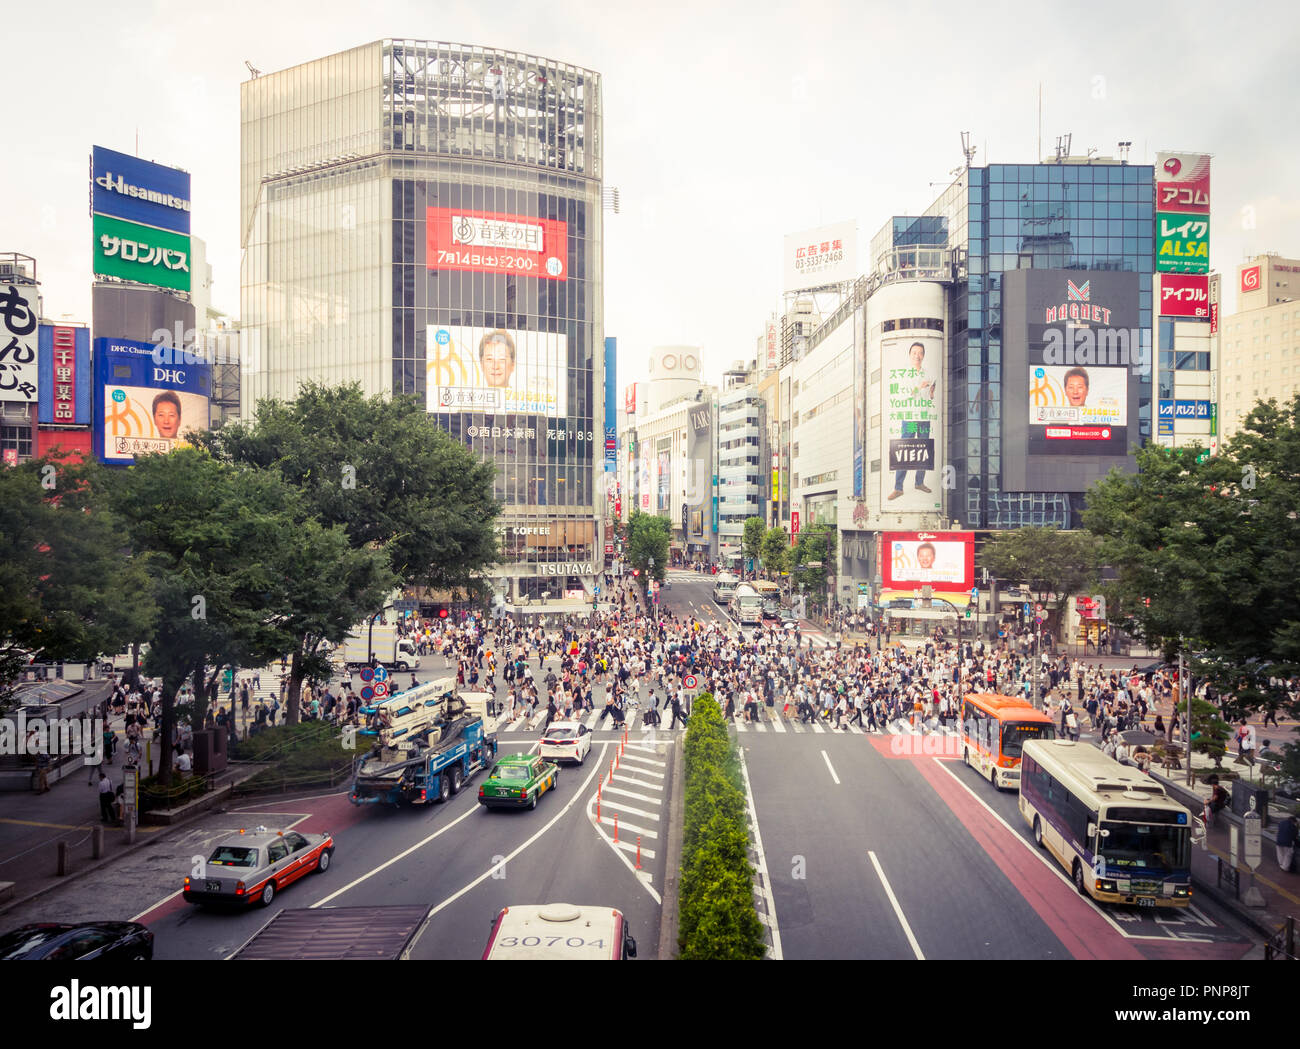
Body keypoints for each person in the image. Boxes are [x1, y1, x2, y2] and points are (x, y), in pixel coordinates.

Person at [887, 341, 937, 500]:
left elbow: (930, 394)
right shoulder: (904, 374)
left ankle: (919, 482)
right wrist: (919, 387)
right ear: (910, 355)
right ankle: (898, 487)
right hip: (909, 418)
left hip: (924, 417)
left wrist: (931, 391)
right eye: (914, 352)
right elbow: (903, 396)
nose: (917, 355)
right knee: (904, 451)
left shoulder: (928, 373)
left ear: (923, 356)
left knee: (923, 451)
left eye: (920, 353)